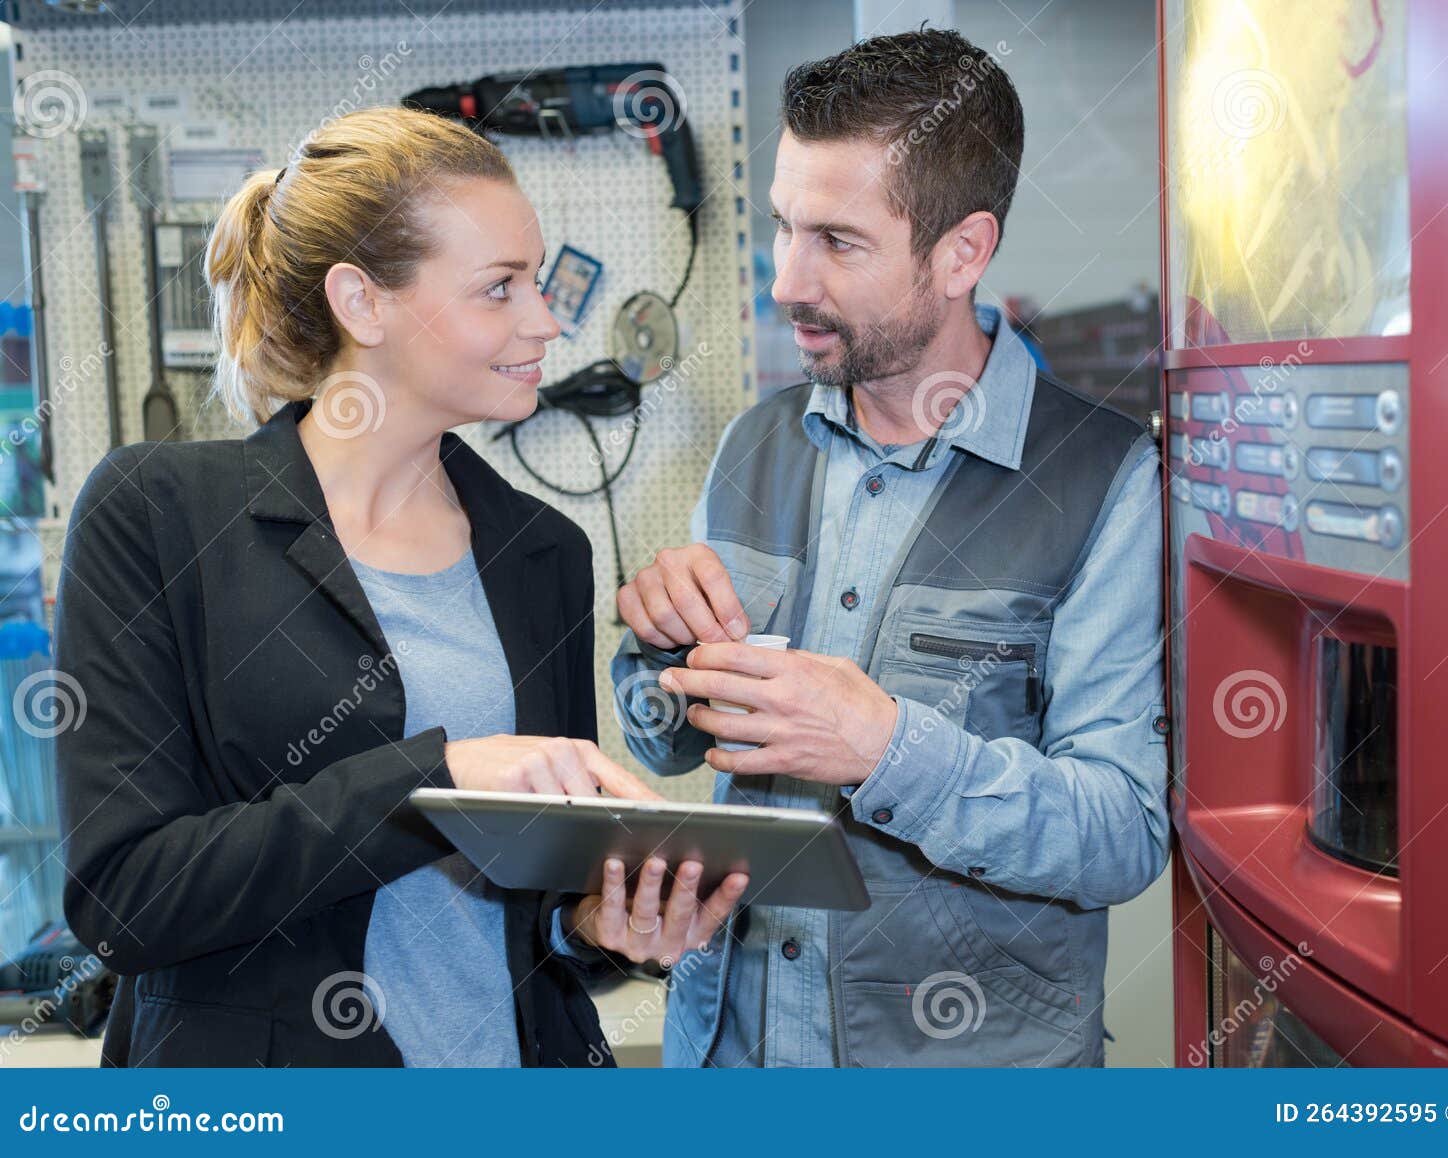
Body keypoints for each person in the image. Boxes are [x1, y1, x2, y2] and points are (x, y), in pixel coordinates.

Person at [53, 106, 743, 1068]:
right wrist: (438, 778)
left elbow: (535, 908)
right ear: (363, 303)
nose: (544, 321)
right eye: (498, 289)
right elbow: (128, 900)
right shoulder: (159, 515)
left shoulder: (540, 550)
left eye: (534, 282)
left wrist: (599, 924)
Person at [608, 29, 1169, 1067]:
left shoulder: (1104, 478)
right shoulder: (756, 441)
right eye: (783, 227)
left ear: (961, 252)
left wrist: (884, 751)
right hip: (730, 1057)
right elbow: (673, 740)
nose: (786, 282)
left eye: (837, 241)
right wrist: (657, 666)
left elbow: (1121, 833)